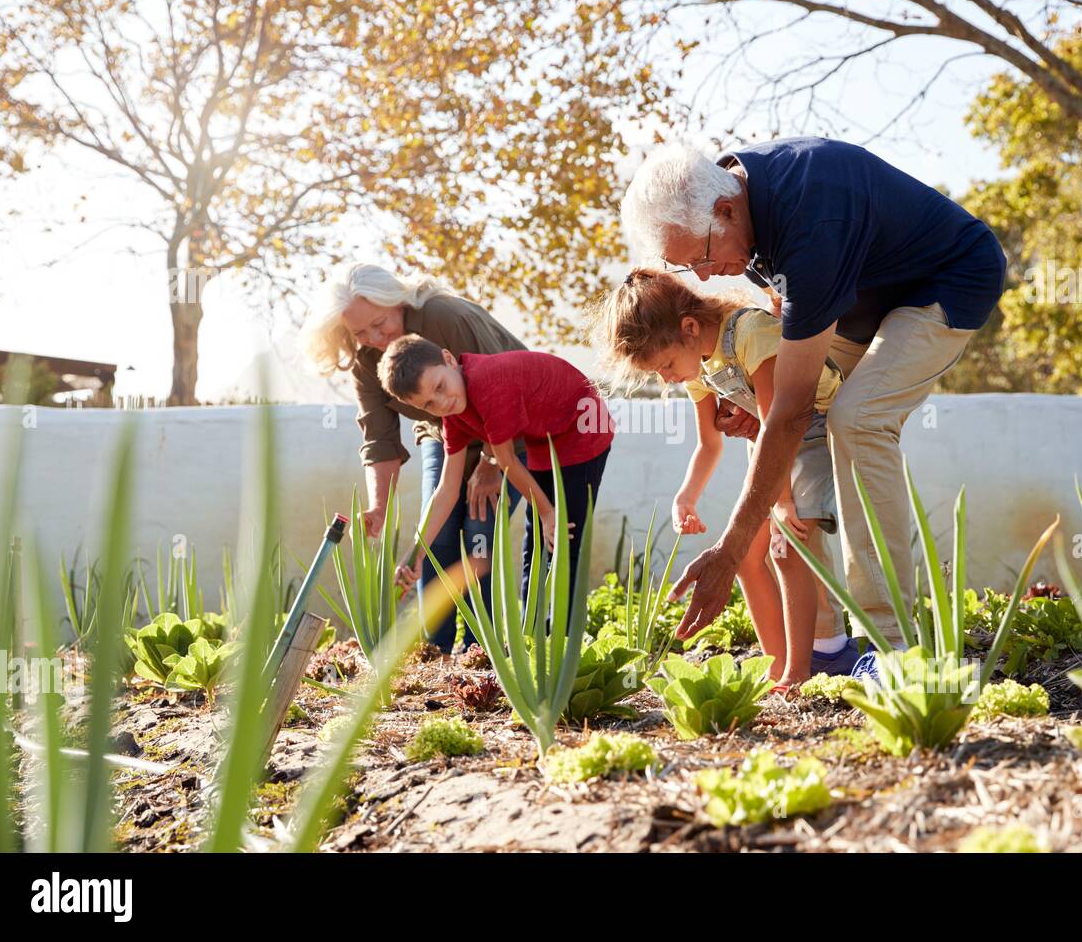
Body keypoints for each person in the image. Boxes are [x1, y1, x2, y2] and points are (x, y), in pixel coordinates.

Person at [620, 137, 1006, 678]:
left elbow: (794, 407)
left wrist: (730, 551)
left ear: (725, 210)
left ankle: (891, 647)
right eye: (689, 267)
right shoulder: (737, 204)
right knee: (799, 447)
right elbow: (788, 387)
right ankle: (826, 646)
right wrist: (763, 414)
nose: (705, 278)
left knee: (856, 419)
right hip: (862, 301)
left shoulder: (810, 222)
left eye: (703, 258)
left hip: (945, 282)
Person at [599, 267, 850, 687]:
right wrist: (686, 496)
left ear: (690, 328)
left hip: (810, 434)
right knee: (747, 558)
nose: (667, 378)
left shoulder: (752, 334)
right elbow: (709, 444)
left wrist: (783, 501)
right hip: (772, 449)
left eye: (665, 365)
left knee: (787, 547)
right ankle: (776, 665)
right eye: (657, 373)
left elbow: (780, 422)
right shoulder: (697, 366)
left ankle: (805, 669)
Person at [301, 262, 526, 653]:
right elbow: (379, 438)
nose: (375, 337)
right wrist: (379, 506)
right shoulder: (367, 364)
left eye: (380, 322)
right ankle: (434, 653)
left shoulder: (444, 317)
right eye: (359, 332)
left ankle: (480, 651)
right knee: (436, 537)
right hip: (447, 434)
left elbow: (504, 386)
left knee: (479, 534)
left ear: (397, 300)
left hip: (510, 428)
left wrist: (492, 464)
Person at [378, 335, 615, 610]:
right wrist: (415, 554)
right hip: (544, 439)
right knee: (538, 541)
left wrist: (549, 513)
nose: (441, 403)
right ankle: (533, 634)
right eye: (429, 404)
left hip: (583, 428)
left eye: (440, 387)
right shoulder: (453, 415)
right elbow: (446, 490)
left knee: (565, 536)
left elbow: (507, 461)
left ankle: (562, 641)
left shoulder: (489, 382)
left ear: (449, 359)